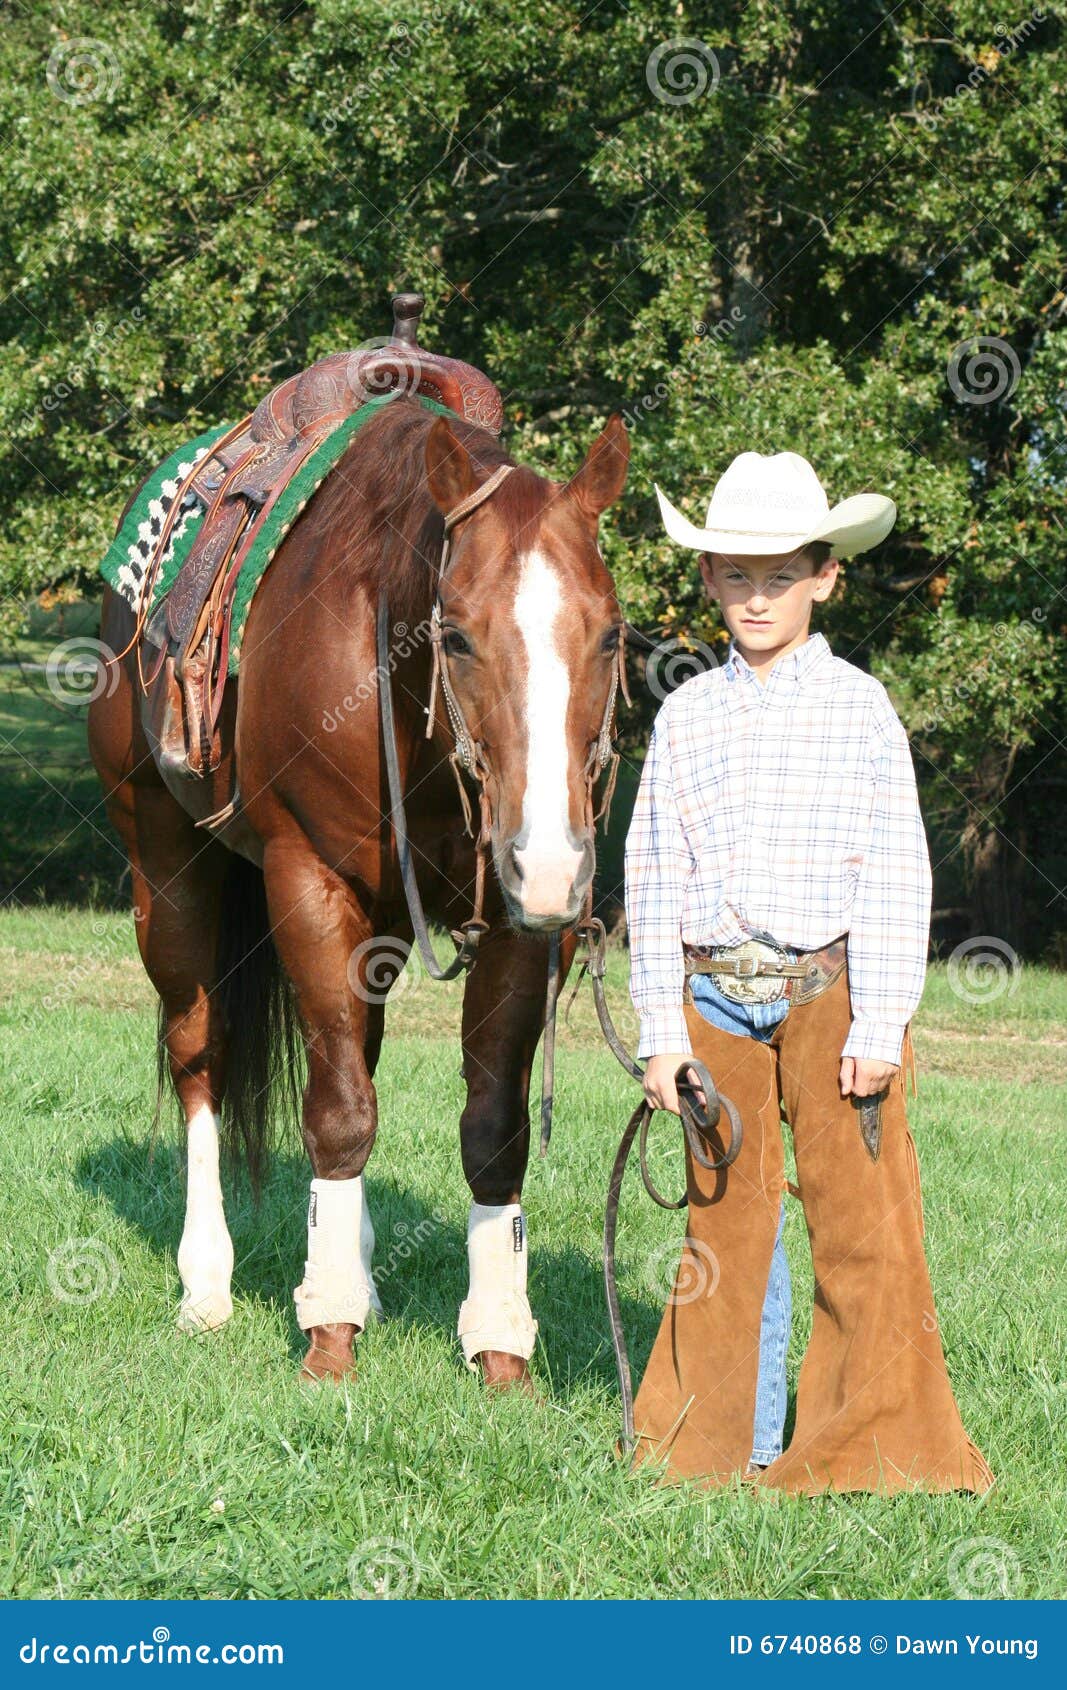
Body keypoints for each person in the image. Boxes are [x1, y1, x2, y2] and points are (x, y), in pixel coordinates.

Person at [623, 450, 993, 1493]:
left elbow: (891, 867)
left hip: (828, 992)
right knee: (721, 1227)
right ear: (706, 581)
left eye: (777, 575)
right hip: (710, 997)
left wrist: (881, 1022)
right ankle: (707, 1448)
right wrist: (660, 1028)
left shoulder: (859, 709)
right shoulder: (685, 715)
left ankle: (868, 1448)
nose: (754, 597)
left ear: (824, 577)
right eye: (733, 576)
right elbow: (651, 874)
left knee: (862, 1222)